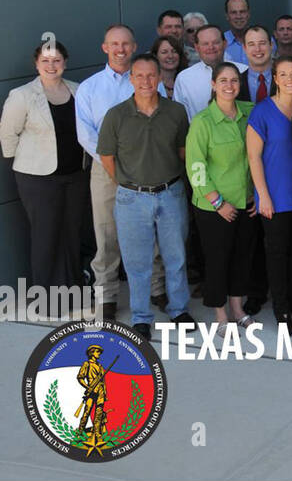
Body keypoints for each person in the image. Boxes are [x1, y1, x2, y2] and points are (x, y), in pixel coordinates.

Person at [97, 54, 193, 337]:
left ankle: (179, 309)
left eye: (151, 75)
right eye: (139, 75)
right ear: (131, 79)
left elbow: (183, 152)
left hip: (170, 193)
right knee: (137, 263)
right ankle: (141, 317)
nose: (146, 81)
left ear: (160, 77)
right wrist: (126, 183)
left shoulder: (176, 111)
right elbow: (107, 156)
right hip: (132, 198)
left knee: (176, 257)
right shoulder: (116, 115)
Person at [1, 39, 87, 307]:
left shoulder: (78, 90)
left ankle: (73, 292)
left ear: (65, 63)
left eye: (57, 60)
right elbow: (8, 134)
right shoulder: (22, 95)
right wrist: (25, 165)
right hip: (37, 178)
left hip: (75, 174)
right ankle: (46, 299)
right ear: (36, 64)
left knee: (72, 232)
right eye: (45, 61)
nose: (51, 65)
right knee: (46, 234)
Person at [75, 24, 138, 320]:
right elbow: (85, 134)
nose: (120, 49)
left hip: (144, 168)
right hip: (104, 169)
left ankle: (156, 289)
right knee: (106, 233)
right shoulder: (90, 87)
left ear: (134, 47)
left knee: (147, 233)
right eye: (114, 44)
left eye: (125, 44)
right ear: (105, 48)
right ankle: (107, 296)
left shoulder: (145, 79)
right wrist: (110, 162)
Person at [187, 62, 256, 330]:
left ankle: (238, 309)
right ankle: (220, 314)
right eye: (223, 80)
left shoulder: (249, 112)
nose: (229, 85)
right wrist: (218, 203)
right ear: (213, 85)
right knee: (218, 260)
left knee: (241, 258)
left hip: (246, 201)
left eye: (234, 80)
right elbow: (196, 168)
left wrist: (257, 195)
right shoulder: (203, 121)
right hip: (214, 206)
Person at [247, 55, 292, 329]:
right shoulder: (262, 112)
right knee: (278, 254)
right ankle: (282, 310)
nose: (289, 79)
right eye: (283, 74)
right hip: (275, 196)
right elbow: (254, 157)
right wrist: (263, 196)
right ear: (275, 79)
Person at [174, 24, 249, 120]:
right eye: (205, 44)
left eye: (216, 42)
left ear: (225, 44)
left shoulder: (244, 71)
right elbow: (180, 118)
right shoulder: (184, 79)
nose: (211, 47)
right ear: (196, 47)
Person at [240, 25, 275, 104]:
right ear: (244, 48)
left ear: (271, 45)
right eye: (251, 44)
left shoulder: (284, 80)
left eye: (262, 43)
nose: (257, 49)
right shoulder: (236, 82)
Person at [149, 35, 185, 100]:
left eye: (174, 51)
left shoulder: (187, 81)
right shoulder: (149, 84)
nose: (170, 56)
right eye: (164, 52)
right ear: (155, 56)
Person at [223, 0, 251, 65]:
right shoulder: (219, 42)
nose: (238, 16)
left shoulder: (264, 39)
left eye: (242, 12)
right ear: (227, 16)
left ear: (248, 14)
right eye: (233, 12)